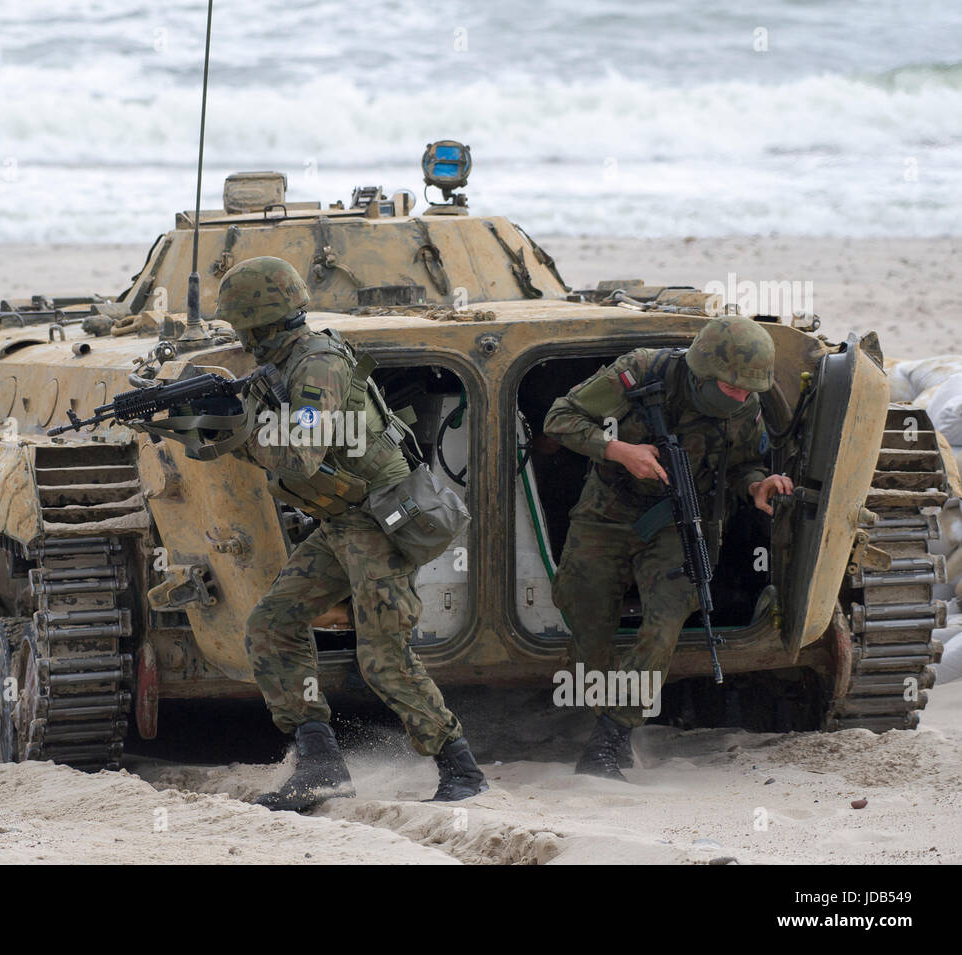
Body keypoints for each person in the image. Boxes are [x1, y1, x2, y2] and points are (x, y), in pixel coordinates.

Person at [209, 255, 487, 811]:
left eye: (241, 328)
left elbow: (300, 459)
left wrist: (229, 434)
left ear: (256, 324)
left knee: (383, 655)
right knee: (273, 624)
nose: (239, 337)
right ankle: (321, 762)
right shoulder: (284, 363)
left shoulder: (316, 368)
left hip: (377, 522)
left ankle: (461, 766)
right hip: (344, 523)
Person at [543, 317, 793, 780]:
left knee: (665, 622)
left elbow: (745, 465)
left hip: (679, 522)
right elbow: (559, 418)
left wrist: (760, 486)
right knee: (584, 615)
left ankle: (611, 736)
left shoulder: (745, 407)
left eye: (748, 390)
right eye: (732, 387)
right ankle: (602, 711)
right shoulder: (640, 371)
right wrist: (619, 450)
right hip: (607, 514)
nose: (741, 397)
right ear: (704, 370)